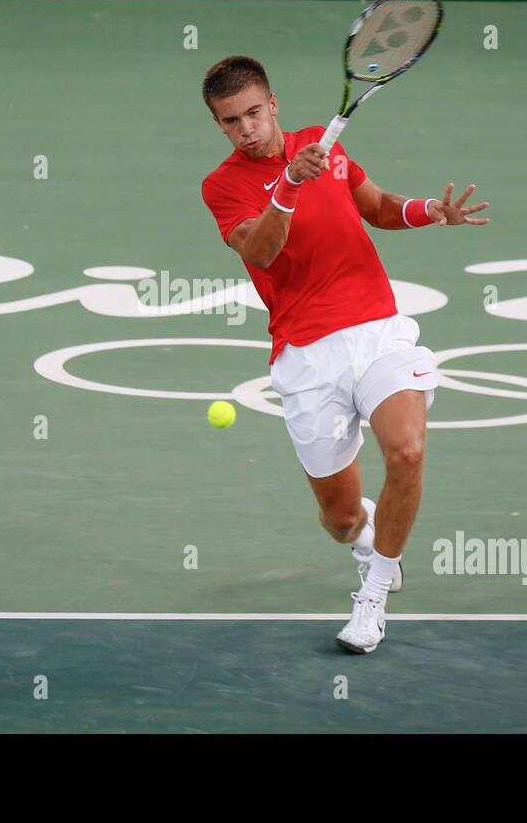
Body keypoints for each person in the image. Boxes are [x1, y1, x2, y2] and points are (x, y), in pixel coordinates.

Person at [200, 55, 490, 653]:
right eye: (231, 121)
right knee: (341, 521)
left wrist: (428, 211)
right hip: (306, 355)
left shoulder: (322, 148)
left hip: (377, 330)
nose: (246, 128)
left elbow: (377, 205)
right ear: (220, 126)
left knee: (406, 451)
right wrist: (288, 186)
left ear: (273, 103)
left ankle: (374, 595)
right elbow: (260, 250)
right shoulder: (221, 186)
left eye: (254, 112)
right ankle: (364, 537)